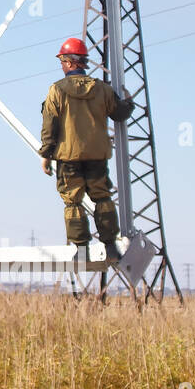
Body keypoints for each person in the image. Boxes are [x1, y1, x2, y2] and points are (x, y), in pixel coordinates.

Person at [38, 38, 135, 263]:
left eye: (62, 61)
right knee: (102, 198)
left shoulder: (57, 90)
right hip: (97, 155)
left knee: (72, 201)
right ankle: (111, 247)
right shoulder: (102, 89)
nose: (61, 65)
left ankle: (81, 252)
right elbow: (120, 113)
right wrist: (129, 103)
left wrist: (45, 154)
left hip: (68, 156)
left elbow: (49, 126)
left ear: (70, 63)